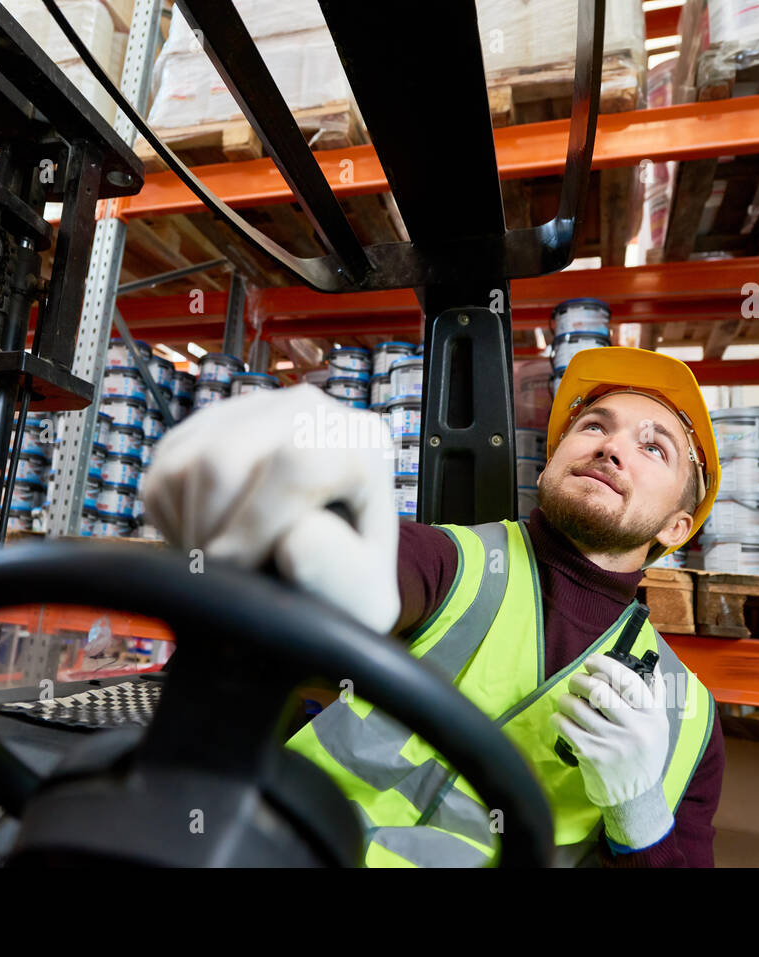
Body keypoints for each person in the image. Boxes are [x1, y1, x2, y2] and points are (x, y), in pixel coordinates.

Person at [142, 346, 724, 867]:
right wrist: (304, 529)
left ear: (677, 526)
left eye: (653, 446)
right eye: (594, 424)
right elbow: (364, 572)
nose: (611, 446)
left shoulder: (688, 719)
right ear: (550, 461)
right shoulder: (456, 560)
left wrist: (640, 820)